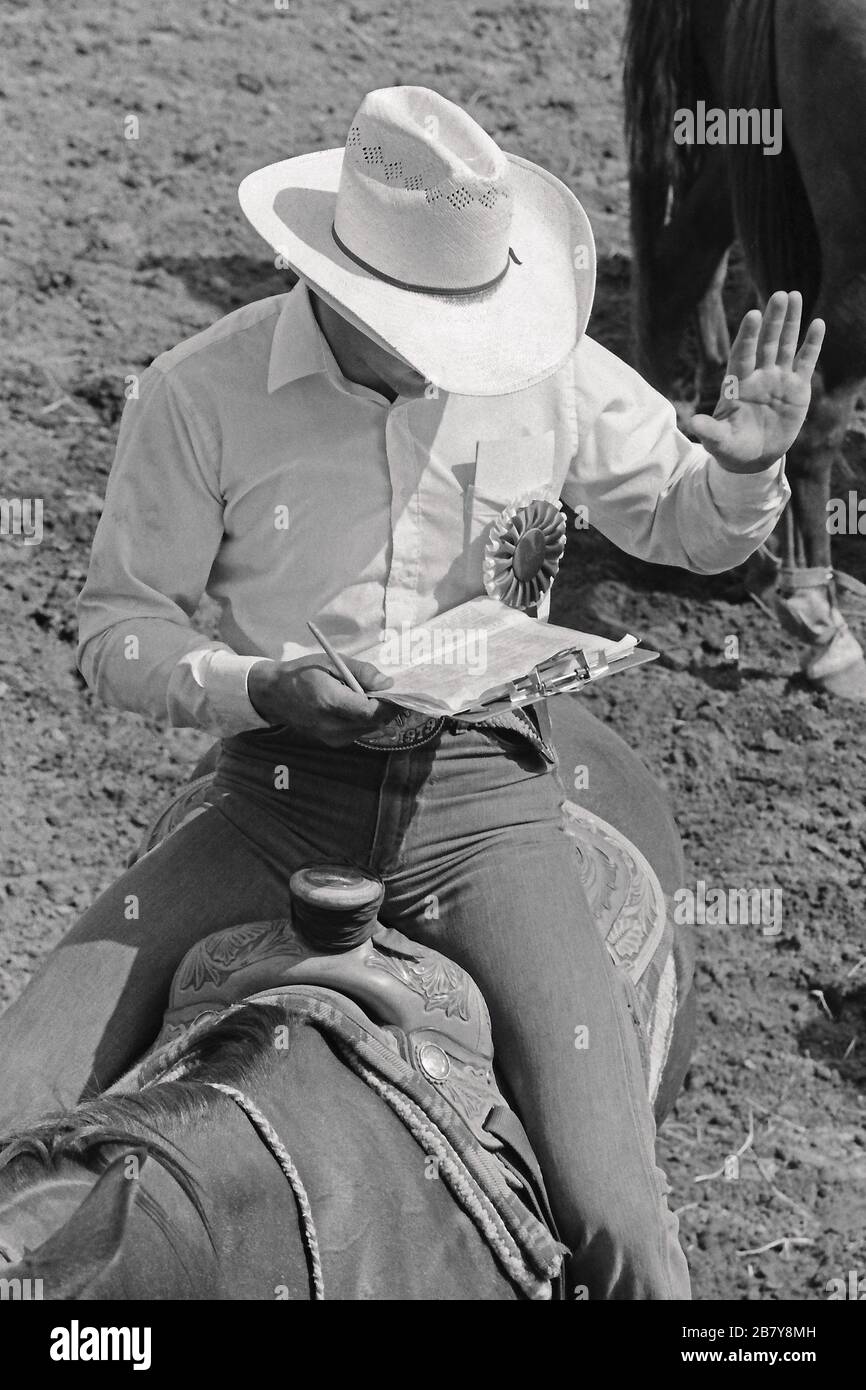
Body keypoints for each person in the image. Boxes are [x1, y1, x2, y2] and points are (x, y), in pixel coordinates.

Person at [0, 86, 824, 1299]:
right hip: (270, 796)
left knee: (622, 1219)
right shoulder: (196, 391)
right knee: (20, 1082)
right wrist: (254, 686)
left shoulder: (547, 370)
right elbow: (117, 630)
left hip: (485, 808)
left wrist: (746, 476)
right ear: (333, 279)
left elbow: (682, 524)